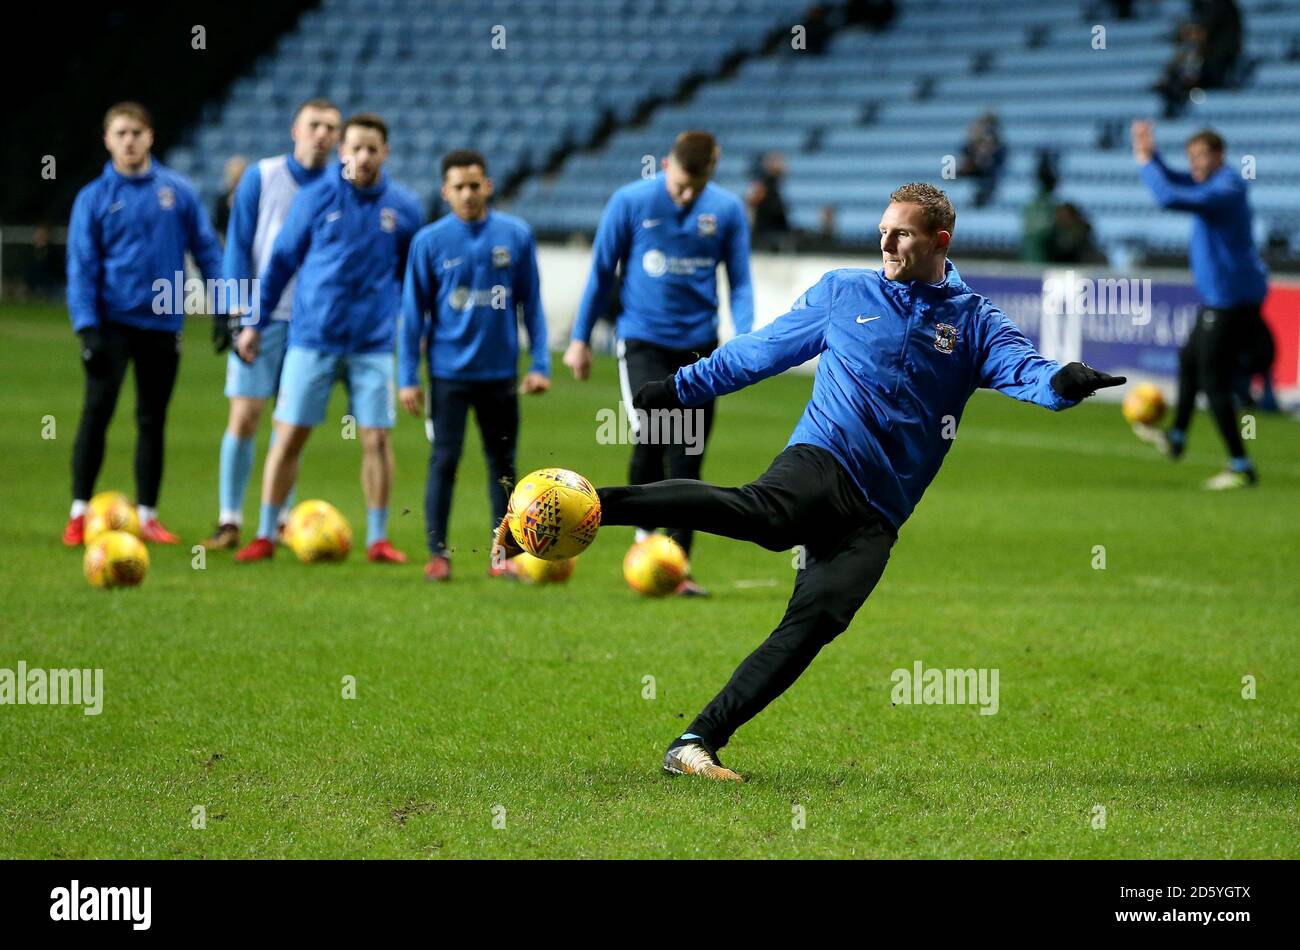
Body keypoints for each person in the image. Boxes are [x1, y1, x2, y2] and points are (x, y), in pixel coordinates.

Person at [498, 183, 1123, 780]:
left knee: (815, 619)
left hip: (881, 513)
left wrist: (1064, 383)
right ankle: (585, 505)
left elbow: (1027, 372)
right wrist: (683, 387)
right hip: (823, 460)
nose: (885, 245)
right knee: (764, 518)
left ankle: (694, 743)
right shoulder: (843, 292)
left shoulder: (974, 321)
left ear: (941, 239)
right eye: (882, 232)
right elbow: (761, 350)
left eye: (900, 235)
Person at [562, 131, 754, 597]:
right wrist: (579, 339)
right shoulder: (629, 201)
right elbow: (601, 272)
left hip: (700, 348)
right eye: (681, 185)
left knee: (687, 455)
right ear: (666, 164)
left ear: (715, 165)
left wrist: (746, 337)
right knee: (656, 435)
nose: (687, 195)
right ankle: (646, 540)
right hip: (642, 343)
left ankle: (678, 564)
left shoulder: (726, 211)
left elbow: (741, 281)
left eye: (697, 185)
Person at [233, 113, 421, 562]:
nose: (363, 156)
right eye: (355, 147)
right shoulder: (315, 199)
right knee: (290, 436)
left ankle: (378, 539)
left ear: (385, 153)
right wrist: (254, 323)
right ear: (343, 152)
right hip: (312, 338)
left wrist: (416, 332)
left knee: (376, 439)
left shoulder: (405, 207)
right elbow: (280, 262)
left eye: (372, 149)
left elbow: (414, 277)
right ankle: (264, 532)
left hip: (372, 344)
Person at [63, 101, 224, 546]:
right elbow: (81, 266)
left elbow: (207, 251)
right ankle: (79, 512)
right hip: (112, 323)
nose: (129, 140)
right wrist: (87, 328)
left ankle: (148, 514)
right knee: (97, 413)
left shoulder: (178, 191)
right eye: (121, 133)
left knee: (153, 419)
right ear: (107, 140)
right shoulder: (93, 197)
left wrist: (228, 306)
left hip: (163, 322)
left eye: (136, 132)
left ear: (150, 136)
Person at [397, 150, 550, 582]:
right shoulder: (429, 242)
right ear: (446, 192)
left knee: (503, 467)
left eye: (475, 185)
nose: (468, 193)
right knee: (444, 461)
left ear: (489, 186)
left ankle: (503, 556)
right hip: (448, 376)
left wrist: (539, 363)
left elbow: (532, 306)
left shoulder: (515, 235)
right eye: (459, 187)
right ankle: (438, 554)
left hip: (500, 375)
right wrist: (408, 377)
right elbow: (413, 316)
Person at [204, 99, 342, 550]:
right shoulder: (261, 177)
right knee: (245, 416)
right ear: (294, 129)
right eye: (314, 124)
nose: (322, 133)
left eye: (330, 127)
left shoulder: (341, 186)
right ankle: (229, 519)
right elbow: (238, 247)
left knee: (291, 425)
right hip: (261, 319)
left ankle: (282, 520)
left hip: (311, 323)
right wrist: (235, 313)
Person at [1131, 121, 1269, 489]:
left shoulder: (1226, 187)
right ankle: (1177, 437)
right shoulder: (1212, 182)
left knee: (1212, 377)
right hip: (1223, 298)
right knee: (1188, 359)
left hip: (1232, 301)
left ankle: (1241, 464)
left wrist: (1146, 163)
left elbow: (1169, 197)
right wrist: (1155, 155)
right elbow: (1178, 178)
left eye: (1200, 156)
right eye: (1191, 156)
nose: (1193, 163)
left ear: (1219, 156)